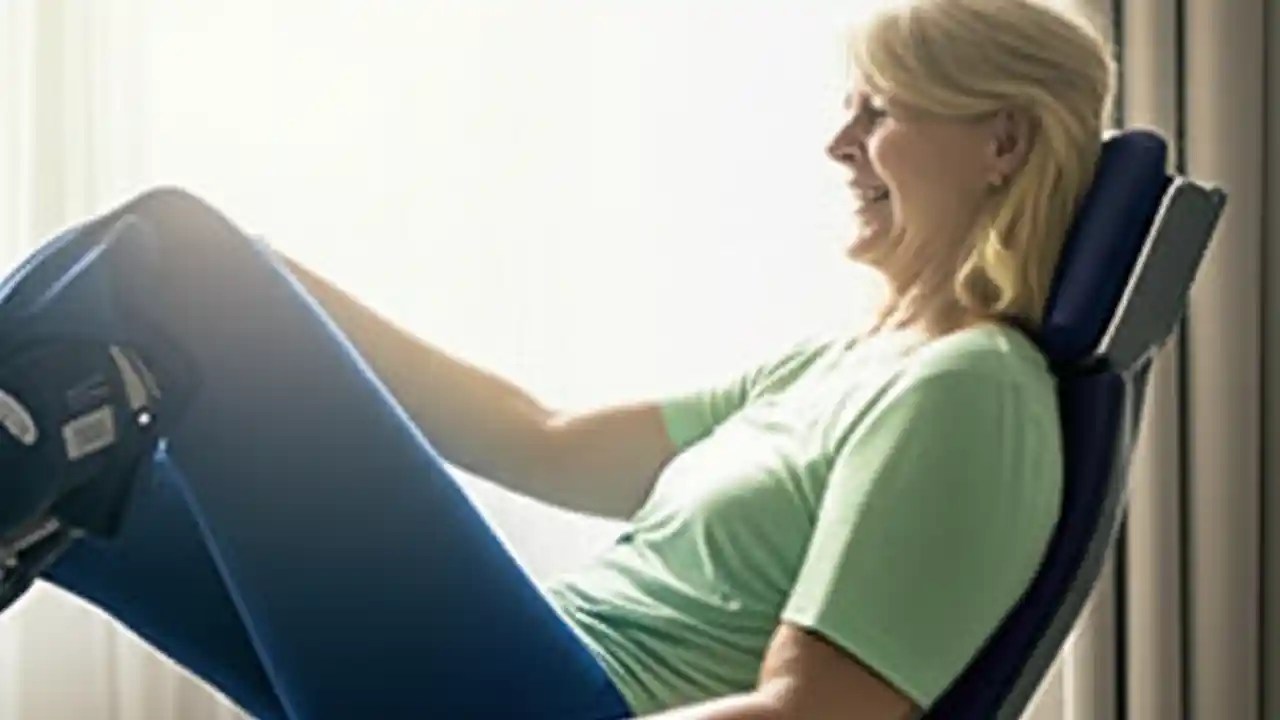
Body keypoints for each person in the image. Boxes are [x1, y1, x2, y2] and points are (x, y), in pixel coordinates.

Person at [0, 0, 1116, 717]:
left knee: (167, 246)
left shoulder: (969, 393)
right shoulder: (836, 363)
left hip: (563, 707)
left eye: (878, 111)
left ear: (1000, 142)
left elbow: (813, 716)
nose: (837, 143)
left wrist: (216, 286)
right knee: (102, 501)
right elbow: (532, 439)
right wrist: (263, 288)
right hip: (532, 669)